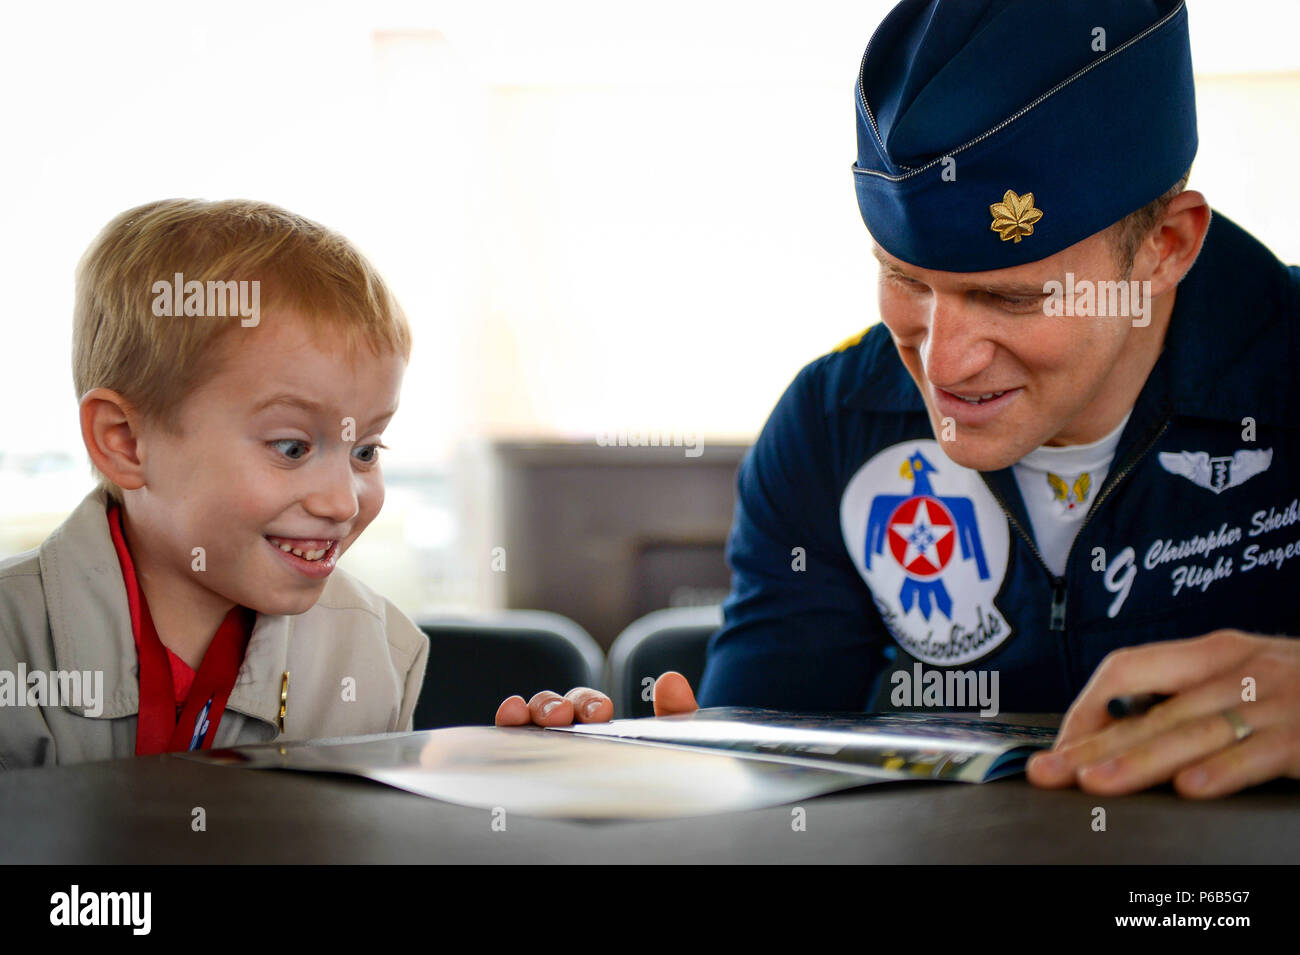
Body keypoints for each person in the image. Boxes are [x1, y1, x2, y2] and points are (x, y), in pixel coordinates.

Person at [499, 0, 1300, 799]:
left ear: (1166, 247)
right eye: (905, 278)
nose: (944, 363)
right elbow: (769, 765)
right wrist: (666, 769)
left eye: (1010, 298)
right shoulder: (831, 425)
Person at [0, 199, 429, 768]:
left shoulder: (381, 653)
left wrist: (542, 755)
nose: (342, 501)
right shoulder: (13, 645)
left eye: (365, 450)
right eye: (292, 447)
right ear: (126, 441)